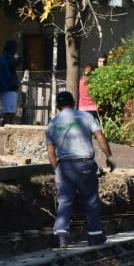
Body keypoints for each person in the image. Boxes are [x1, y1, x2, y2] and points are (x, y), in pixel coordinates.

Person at [45, 90, 115, 248]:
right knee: (90, 200)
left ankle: (61, 235)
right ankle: (95, 235)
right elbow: (100, 136)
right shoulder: (86, 117)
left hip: (64, 166)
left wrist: (58, 170)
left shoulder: (53, 123)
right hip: (85, 165)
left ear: (58, 106)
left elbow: (51, 152)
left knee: (65, 201)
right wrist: (109, 157)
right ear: (73, 102)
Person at [0, 38, 21, 125]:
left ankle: (6, 129)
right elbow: (12, 65)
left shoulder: (4, 58)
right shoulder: (8, 58)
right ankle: (6, 131)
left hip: (7, 89)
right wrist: (19, 60)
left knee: (9, 112)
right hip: (9, 89)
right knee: (9, 113)